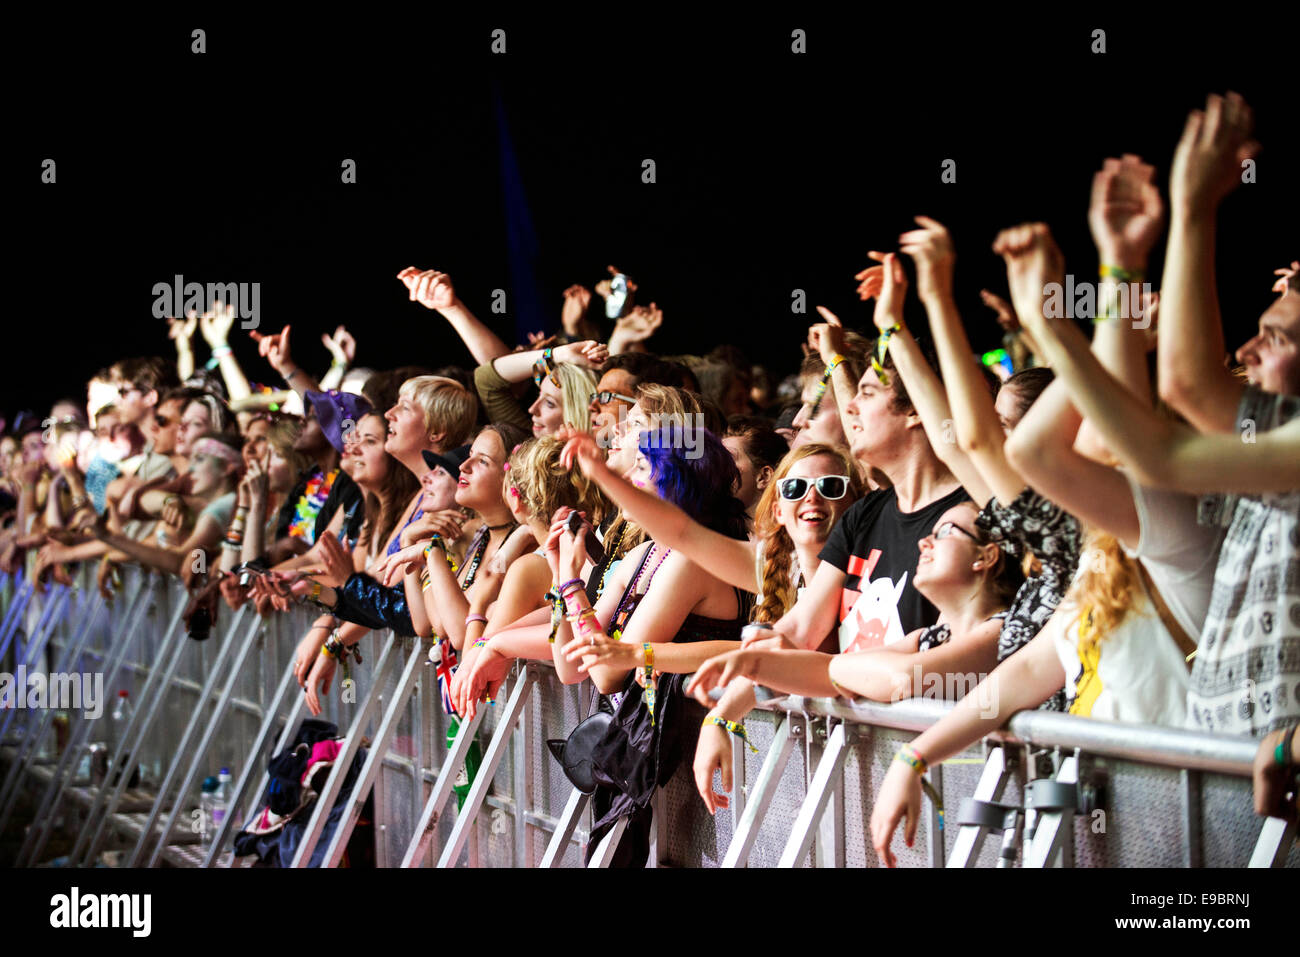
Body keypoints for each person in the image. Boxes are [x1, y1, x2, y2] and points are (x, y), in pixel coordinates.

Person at [547, 422, 753, 866]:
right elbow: (572, 667)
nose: (630, 482)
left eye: (642, 468)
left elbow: (605, 674)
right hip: (639, 762)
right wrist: (559, 575)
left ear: (678, 479)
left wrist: (572, 583)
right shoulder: (646, 554)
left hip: (680, 774)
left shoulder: (690, 562)